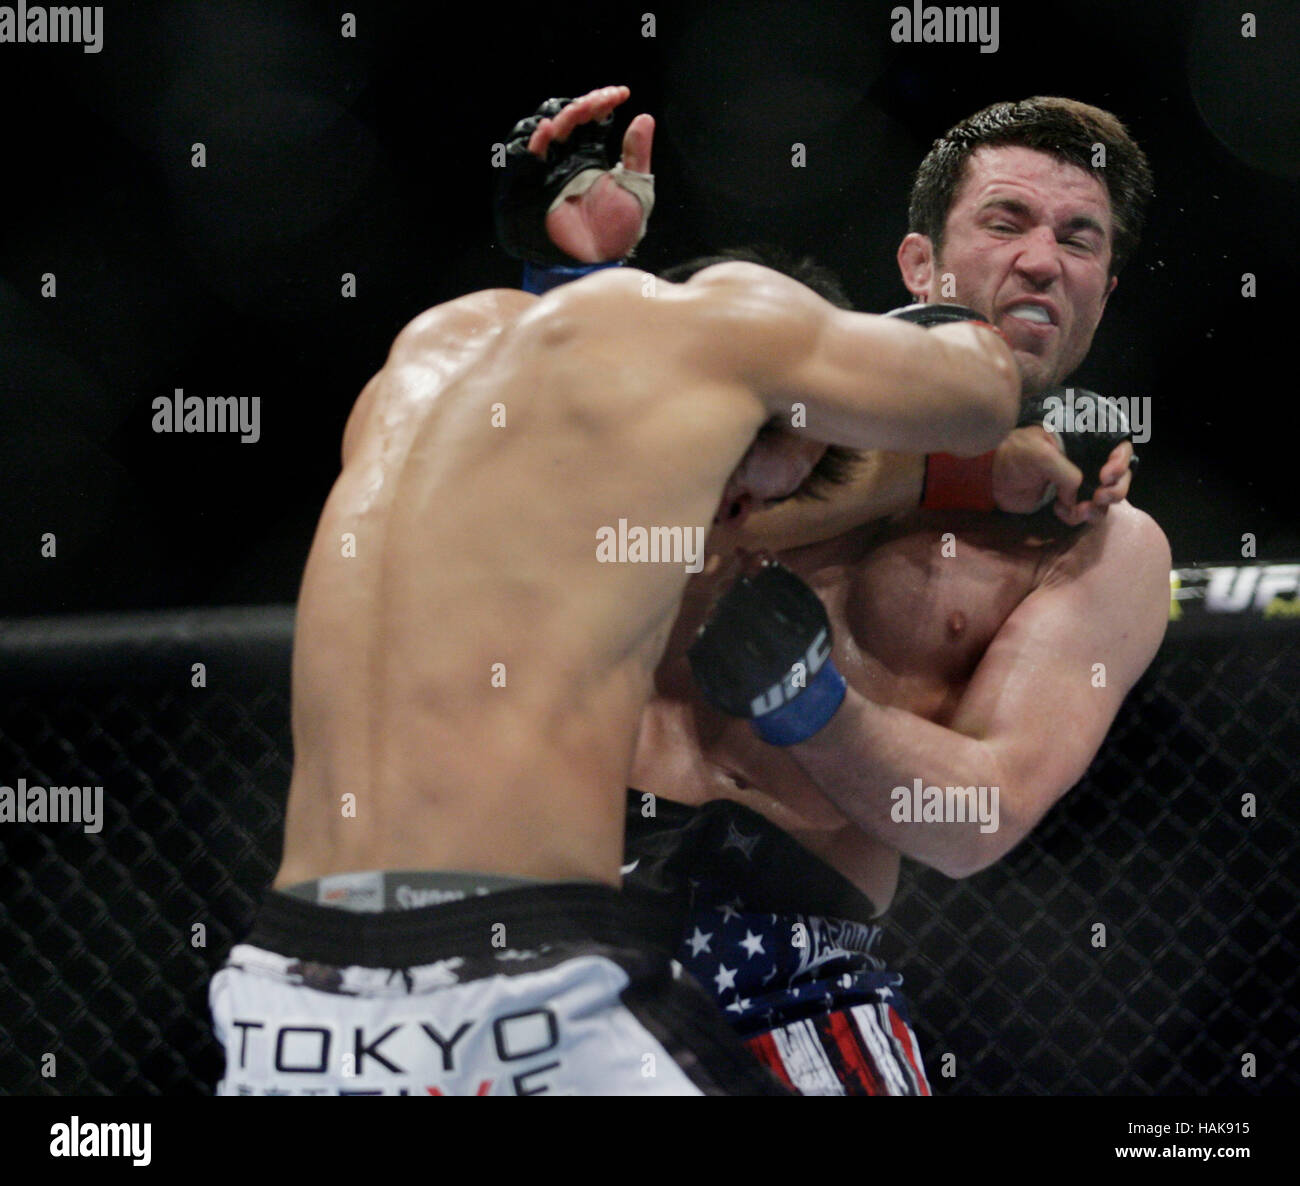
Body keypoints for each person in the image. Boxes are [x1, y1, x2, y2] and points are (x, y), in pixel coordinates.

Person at [207, 232, 1025, 1094]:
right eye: (785, 475)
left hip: (290, 998)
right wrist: (950, 324)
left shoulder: (430, 364)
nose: (750, 519)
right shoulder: (736, 323)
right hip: (517, 989)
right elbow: (982, 393)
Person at [497, 88, 1170, 1095]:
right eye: (1005, 221)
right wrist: (567, 276)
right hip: (543, 916)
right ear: (917, 265)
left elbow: (977, 817)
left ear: (1104, 291)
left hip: (786, 971)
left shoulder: (1099, 548)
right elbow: (595, 504)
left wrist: (811, 704)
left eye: (1078, 237)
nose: (1040, 258)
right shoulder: (768, 387)